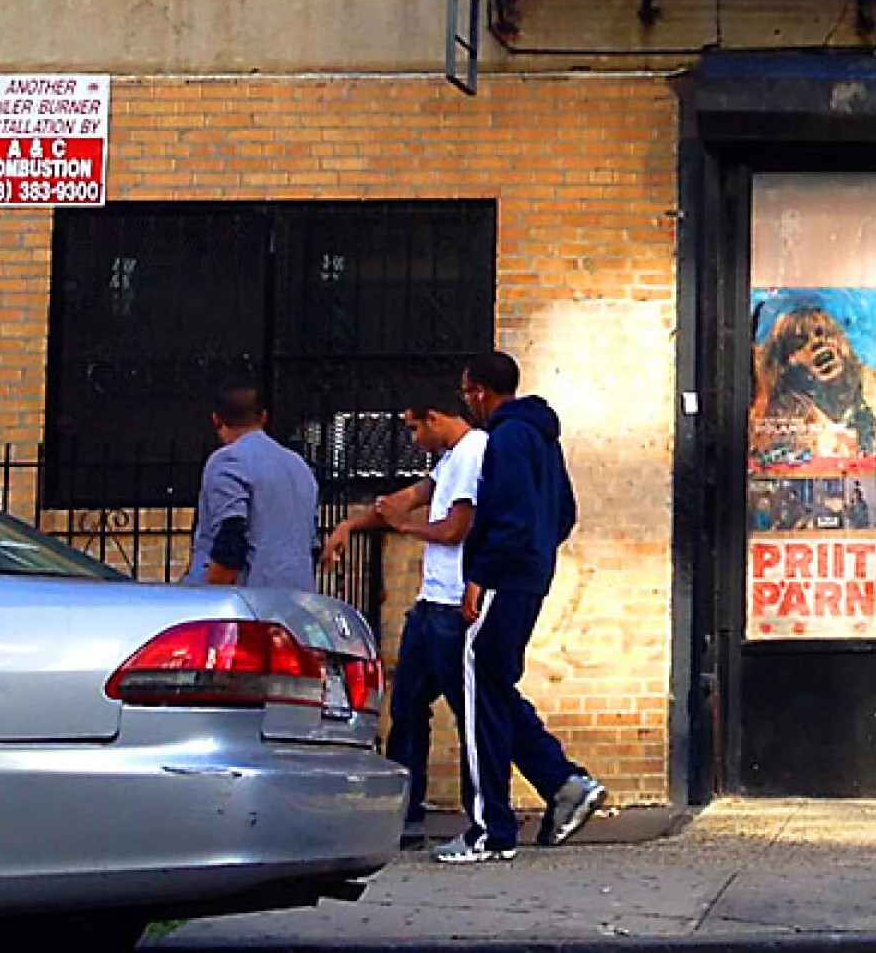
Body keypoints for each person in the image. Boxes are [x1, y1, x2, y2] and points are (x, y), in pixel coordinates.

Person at [440, 351, 607, 864]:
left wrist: (482, 577)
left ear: (480, 392)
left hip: (503, 578)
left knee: (474, 691)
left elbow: (509, 517)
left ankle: (490, 829)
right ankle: (561, 782)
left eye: (466, 391)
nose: (466, 400)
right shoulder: (541, 436)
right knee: (493, 689)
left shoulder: (506, 438)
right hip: (529, 576)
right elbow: (564, 514)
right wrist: (536, 556)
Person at [320, 388, 485, 849]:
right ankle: (405, 812)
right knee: (407, 705)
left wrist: (404, 527)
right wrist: (350, 526)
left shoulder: (474, 454)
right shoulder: (448, 460)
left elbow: (456, 529)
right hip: (429, 605)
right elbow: (401, 501)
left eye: (415, 427)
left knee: (469, 711)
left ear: (435, 417)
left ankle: (485, 812)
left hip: (454, 606)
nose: (413, 437)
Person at [186, 383, 317, 591]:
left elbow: (230, 542)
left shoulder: (228, 461)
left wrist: (204, 597)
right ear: (263, 418)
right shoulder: (299, 466)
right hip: (297, 599)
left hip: (249, 601)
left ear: (216, 419)